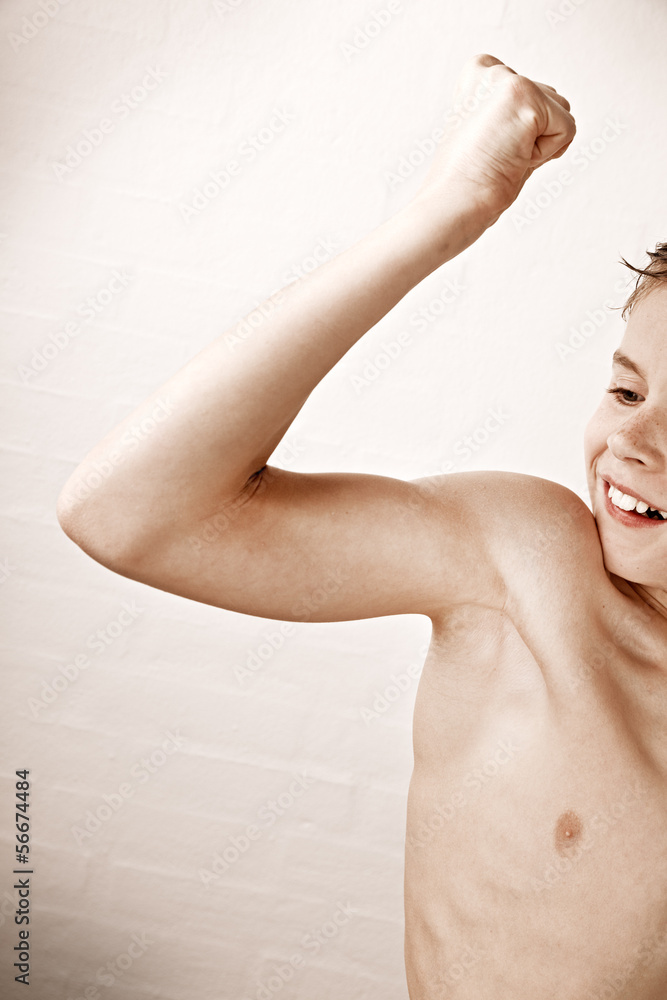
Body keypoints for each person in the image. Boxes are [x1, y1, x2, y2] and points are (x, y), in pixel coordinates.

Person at [56, 53, 667, 999]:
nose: (630, 437)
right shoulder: (525, 567)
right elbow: (127, 514)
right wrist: (444, 214)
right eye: (624, 388)